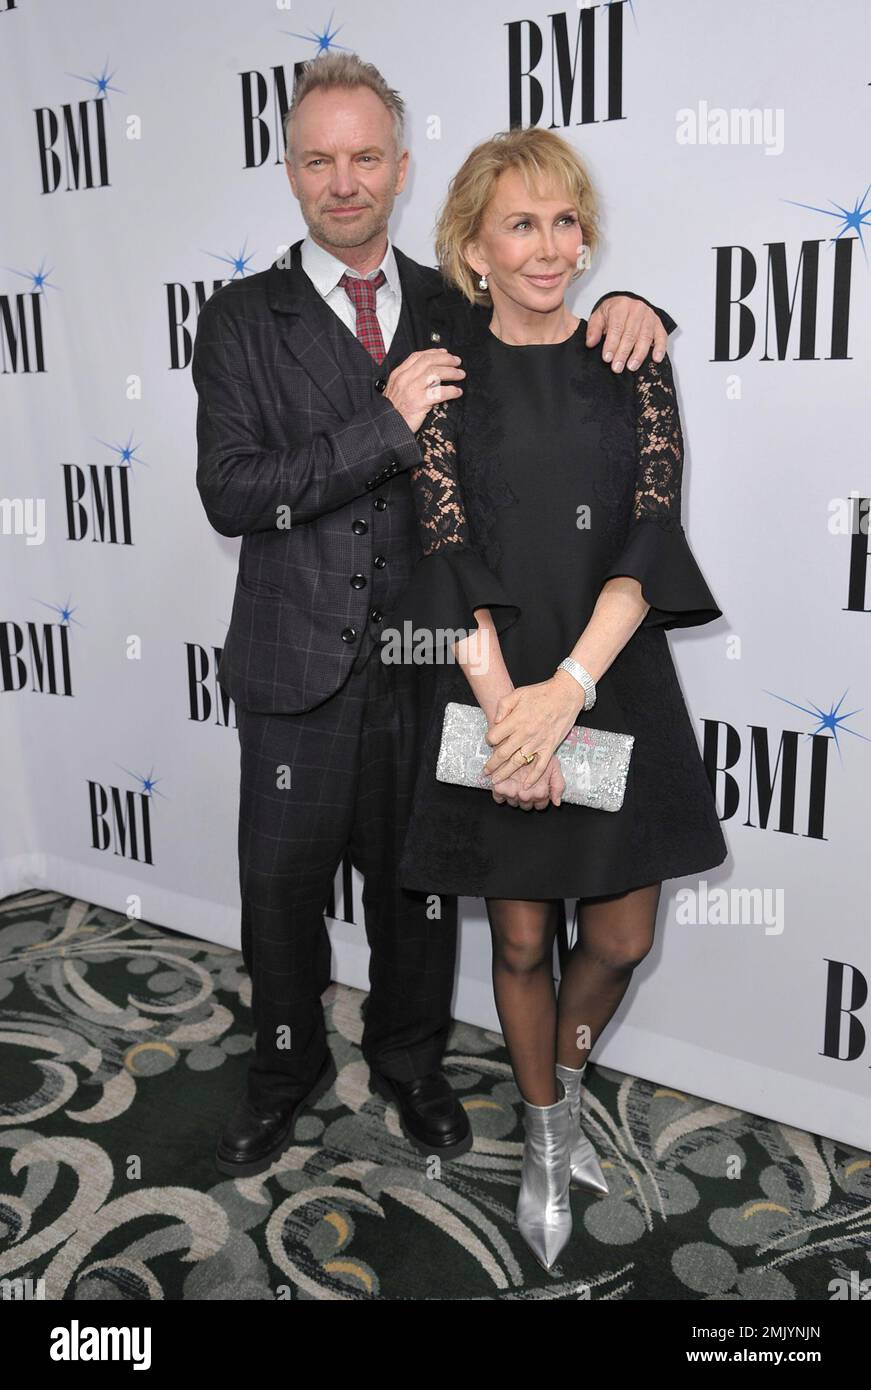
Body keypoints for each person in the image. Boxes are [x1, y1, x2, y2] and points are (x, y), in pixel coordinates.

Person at [192, 52, 676, 1180]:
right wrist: (381, 424)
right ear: (290, 170)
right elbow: (231, 490)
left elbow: (543, 303)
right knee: (280, 895)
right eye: (320, 158)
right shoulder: (238, 318)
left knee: (415, 897)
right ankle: (282, 1067)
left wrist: (630, 305)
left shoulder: (449, 301)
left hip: (436, 663)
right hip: (293, 660)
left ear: (403, 170)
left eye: (367, 156)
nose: (344, 179)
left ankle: (409, 1064)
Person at [385, 125, 728, 1269]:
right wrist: (511, 718)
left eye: (565, 221)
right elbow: (445, 554)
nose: (549, 247)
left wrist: (569, 689)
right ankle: (541, 1135)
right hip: (491, 679)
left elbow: (648, 532)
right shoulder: (439, 381)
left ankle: (564, 1082)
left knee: (619, 935)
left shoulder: (632, 358)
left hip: (609, 671)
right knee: (523, 937)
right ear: (472, 248)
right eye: (521, 224)